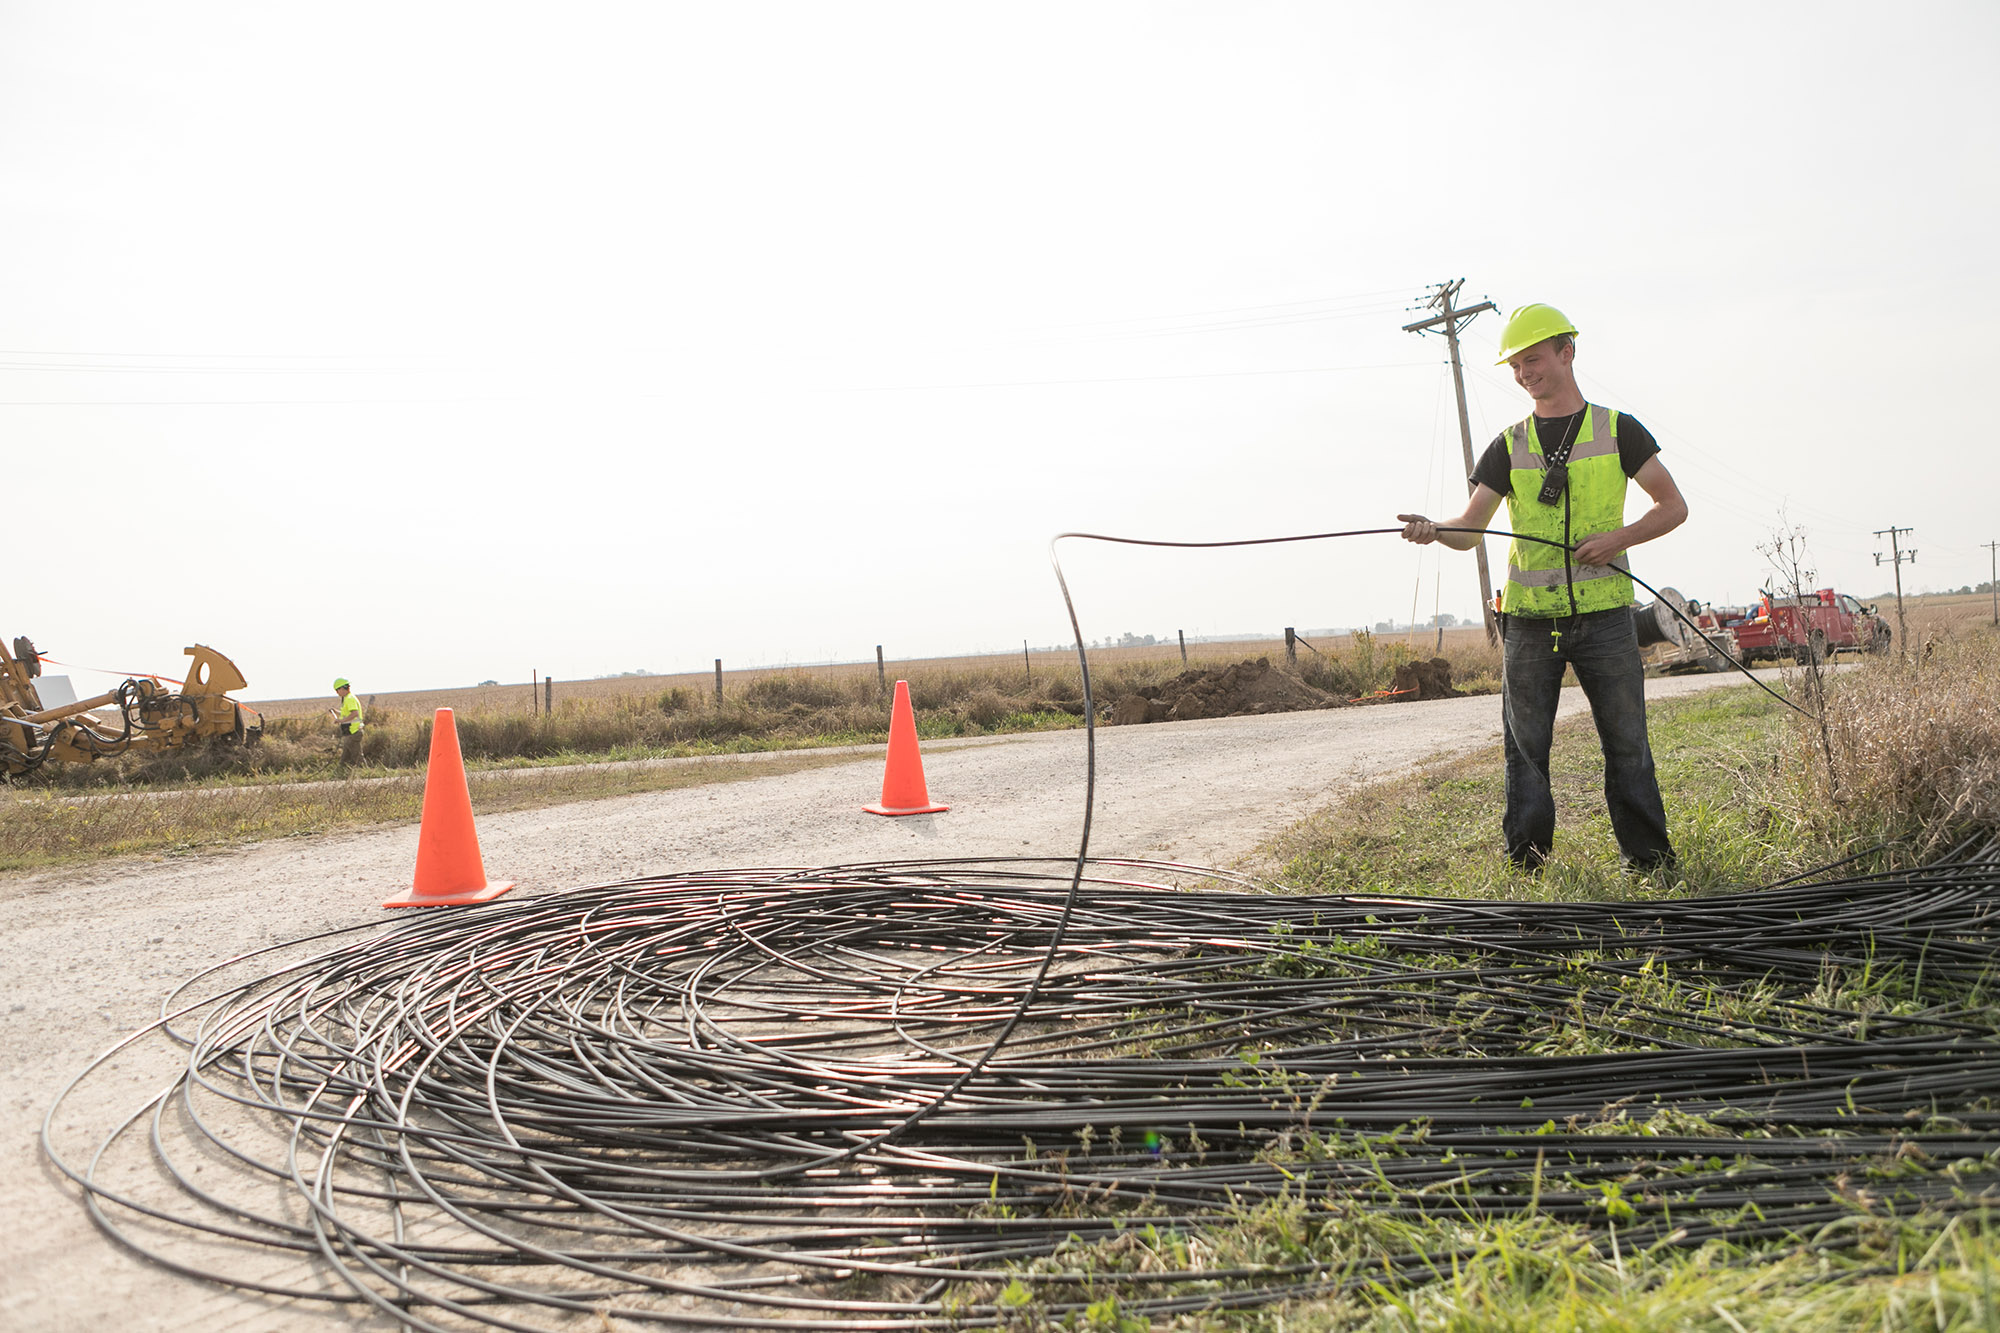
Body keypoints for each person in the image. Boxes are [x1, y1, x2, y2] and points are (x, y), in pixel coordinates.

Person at [1397, 304, 1688, 873]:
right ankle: (1526, 864)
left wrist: (1616, 539)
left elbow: (1673, 507)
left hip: (1606, 617)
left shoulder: (1618, 430)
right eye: (1515, 366)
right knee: (1525, 750)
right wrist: (1435, 532)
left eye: (1532, 359)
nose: (1523, 373)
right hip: (1528, 620)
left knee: (1627, 744)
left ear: (1566, 352)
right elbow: (1469, 527)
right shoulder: (1509, 445)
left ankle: (1649, 862)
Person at [329, 677, 364, 767]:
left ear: (342, 688)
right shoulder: (348, 698)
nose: (337, 693)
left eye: (337, 690)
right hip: (350, 733)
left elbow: (354, 713)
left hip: (353, 732)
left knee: (357, 758)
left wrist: (341, 720)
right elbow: (347, 713)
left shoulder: (349, 699)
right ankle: (341, 773)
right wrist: (336, 712)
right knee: (345, 759)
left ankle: (365, 774)